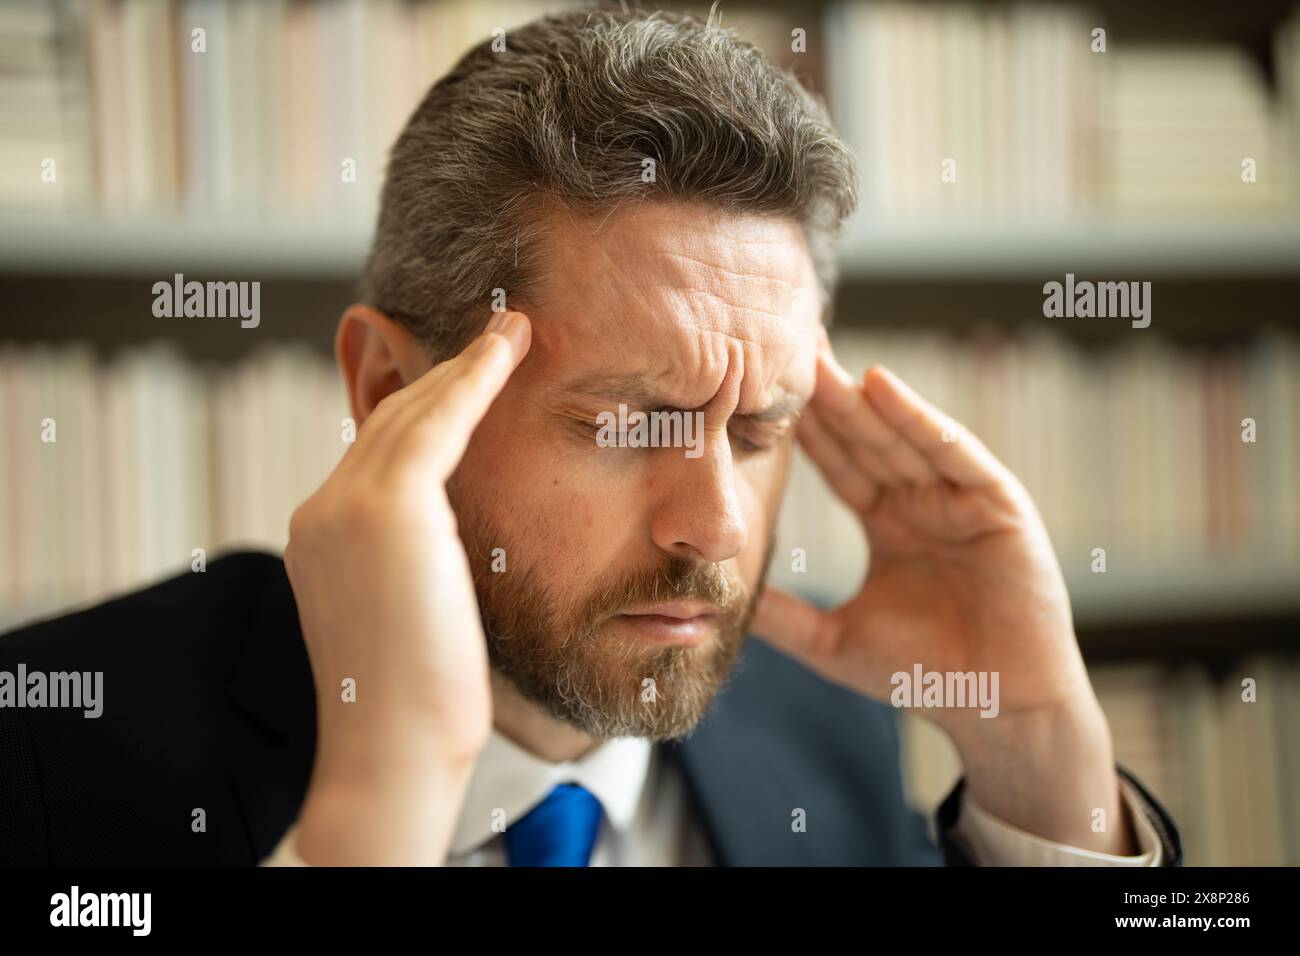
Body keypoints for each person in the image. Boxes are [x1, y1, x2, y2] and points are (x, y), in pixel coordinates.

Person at [0, 8, 1179, 867]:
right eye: (629, 420)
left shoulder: (827, 726)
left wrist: (1037, 749)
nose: (715, 528)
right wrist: (380, 804)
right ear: (387, 388)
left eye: (757, 428)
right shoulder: (51, 746)